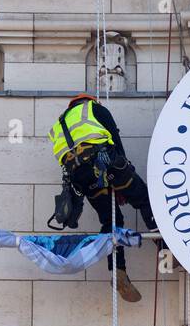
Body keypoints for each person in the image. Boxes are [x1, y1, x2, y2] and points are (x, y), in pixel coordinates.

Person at [47, 94, 157, 303]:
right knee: (143, 198)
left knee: (110, 220)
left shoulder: (58, 126)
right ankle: (165, 249)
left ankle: (118, 270)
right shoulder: (94, 109)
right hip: (105, 163)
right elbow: (115, 139)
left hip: (82, 178)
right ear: (89, 101)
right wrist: (125, 170)